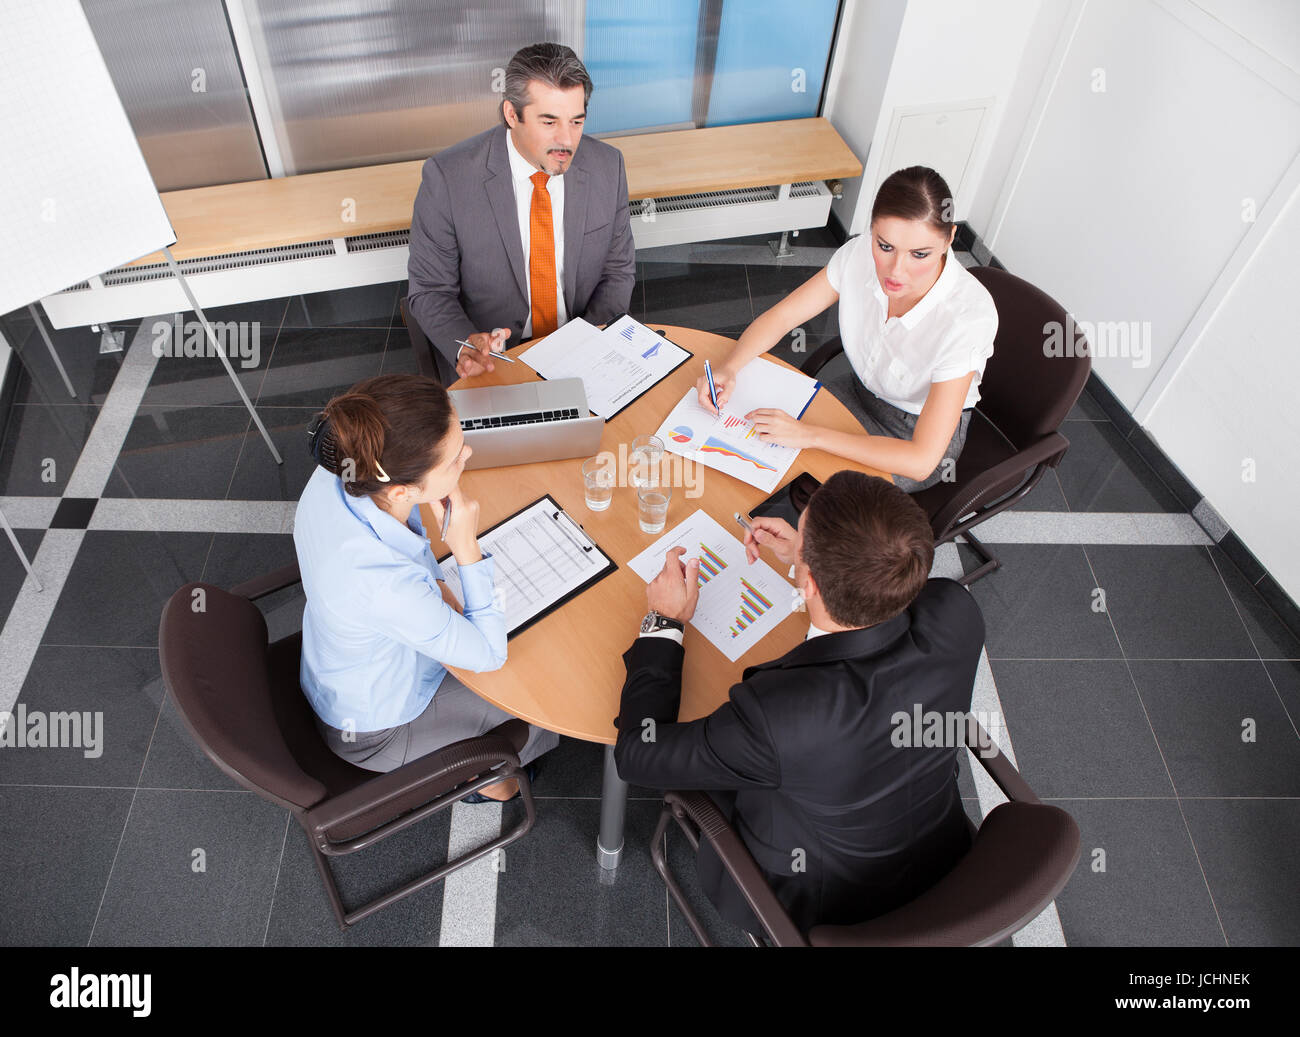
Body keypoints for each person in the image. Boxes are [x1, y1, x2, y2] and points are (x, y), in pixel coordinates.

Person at [614, 471, 985, 932]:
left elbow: (636, 754)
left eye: (801, 532)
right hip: (940, 846)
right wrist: (812, 559)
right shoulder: (957, 610)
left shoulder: (778, 715)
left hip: (822, 898)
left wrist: (663, 621)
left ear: (808, 584)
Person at [294, 373, 558, 798]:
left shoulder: (343, 474)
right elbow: (488, 655)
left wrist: (437, 586)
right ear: (402, 490)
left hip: (340, 671)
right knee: (540, 685)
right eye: (454, 459)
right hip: (377, 730)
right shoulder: (382, 583)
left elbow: (410, 559)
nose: (467, 453)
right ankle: (478, 780)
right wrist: (466, 548)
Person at [696, 166, 998, 491]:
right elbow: (782, 318)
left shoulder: (967, 318)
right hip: (857, 394)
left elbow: (921, 460)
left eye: (919, 254)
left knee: (821, 490)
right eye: (885, 246)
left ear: (949, 238)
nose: (897, 270)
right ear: (872, 230)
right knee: (761, 447)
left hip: (912, 435)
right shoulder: (858, 255)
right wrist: (730, 367)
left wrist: (808, 434)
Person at [407, 41, 636, 383]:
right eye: (549, 122)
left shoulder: (608, 166)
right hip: (495, 359)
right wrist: (468, 345)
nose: (567, 141)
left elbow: (618, 272)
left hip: (583, 345)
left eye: (576, 121)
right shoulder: (448, 178)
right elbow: (429, 290)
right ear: (511, 115)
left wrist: (584, 346)